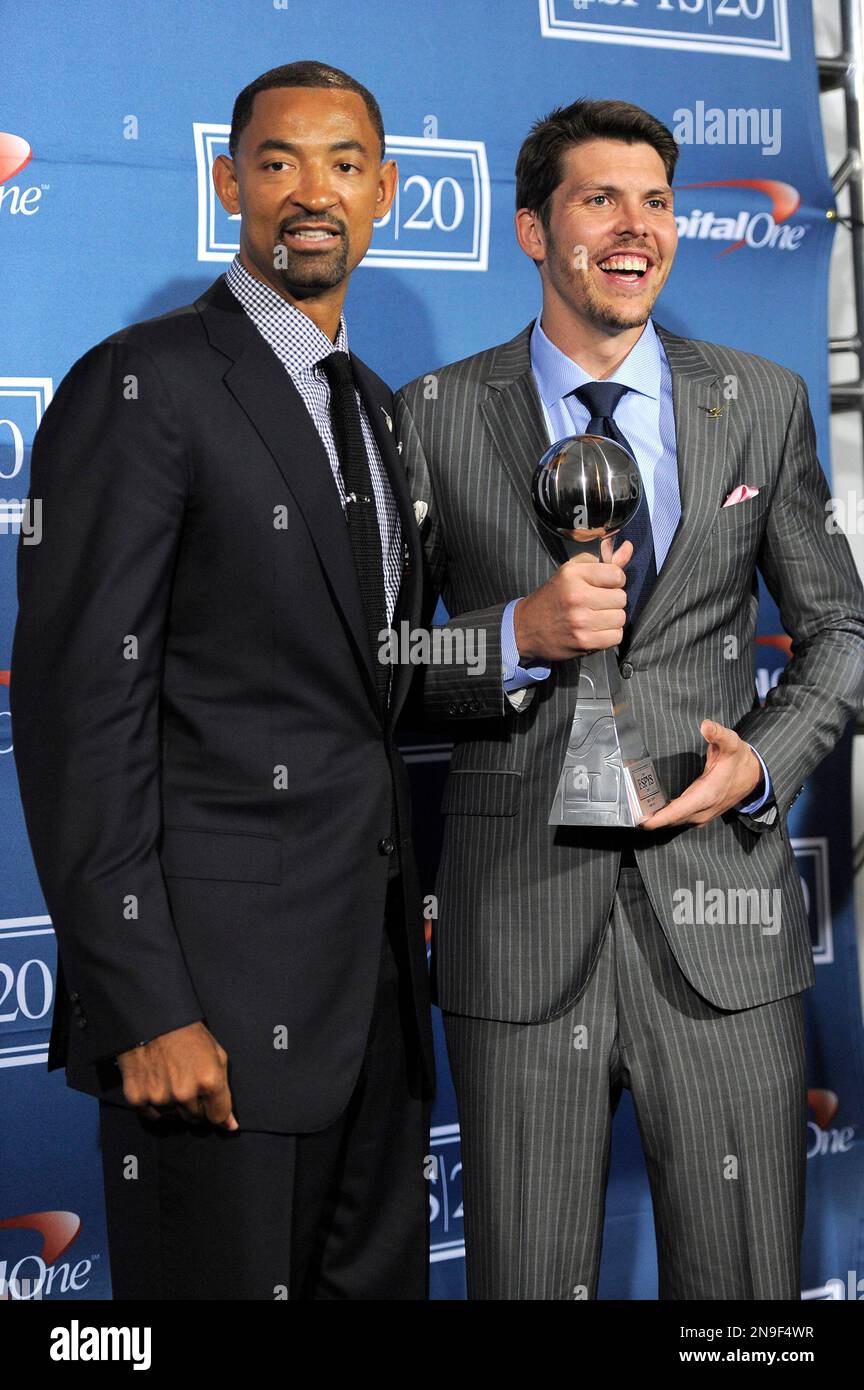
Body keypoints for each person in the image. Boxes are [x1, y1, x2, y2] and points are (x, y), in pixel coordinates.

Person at [394, 98, 864, 1300]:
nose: (635, 226)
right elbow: (377, 668)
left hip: (725, 931)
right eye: (599, 198)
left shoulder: (759, 400)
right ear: (531, 232)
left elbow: (843, 633)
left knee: (744, 1298)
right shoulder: (435, 416)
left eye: (655, 200)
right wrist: (515, 636)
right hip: (517, 934)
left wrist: (759, 762)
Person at [11, 60, 434, 1301]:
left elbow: (366, 692)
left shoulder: (376, 414)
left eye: (346, 164)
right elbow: (80, 715)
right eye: (279, 161)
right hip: (207, 1026)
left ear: (389, 193)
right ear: (226, 181)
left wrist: (519, 644)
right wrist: (142, 1006)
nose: (314, 192)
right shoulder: (143, 384)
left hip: (372, 1019)